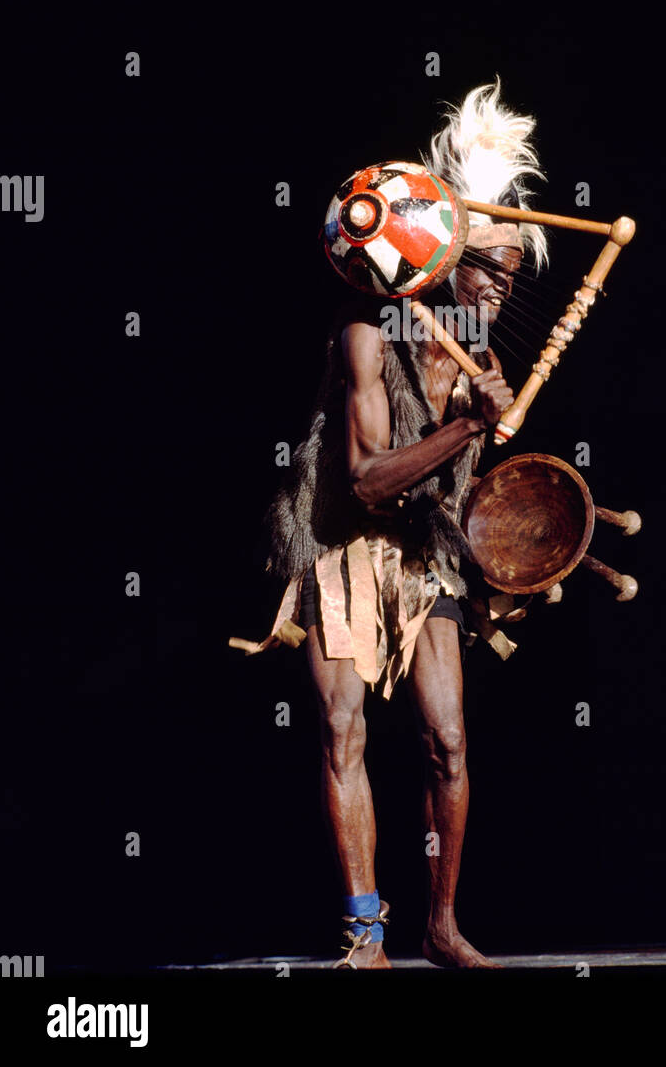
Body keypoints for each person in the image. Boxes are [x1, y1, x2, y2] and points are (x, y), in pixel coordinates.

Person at [231, 79, 550, 968]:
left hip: (419, 564)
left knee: (447, 739)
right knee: (341, 732)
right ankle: (363, 935)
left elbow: (453, 495)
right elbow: (369, 478)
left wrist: (530, 530)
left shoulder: (476, 358)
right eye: (490, 270)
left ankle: (441, 927)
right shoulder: (365, 332)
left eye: (513, 277)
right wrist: (467, 425)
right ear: (445, 257)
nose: (499, 289)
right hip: (337, 547)